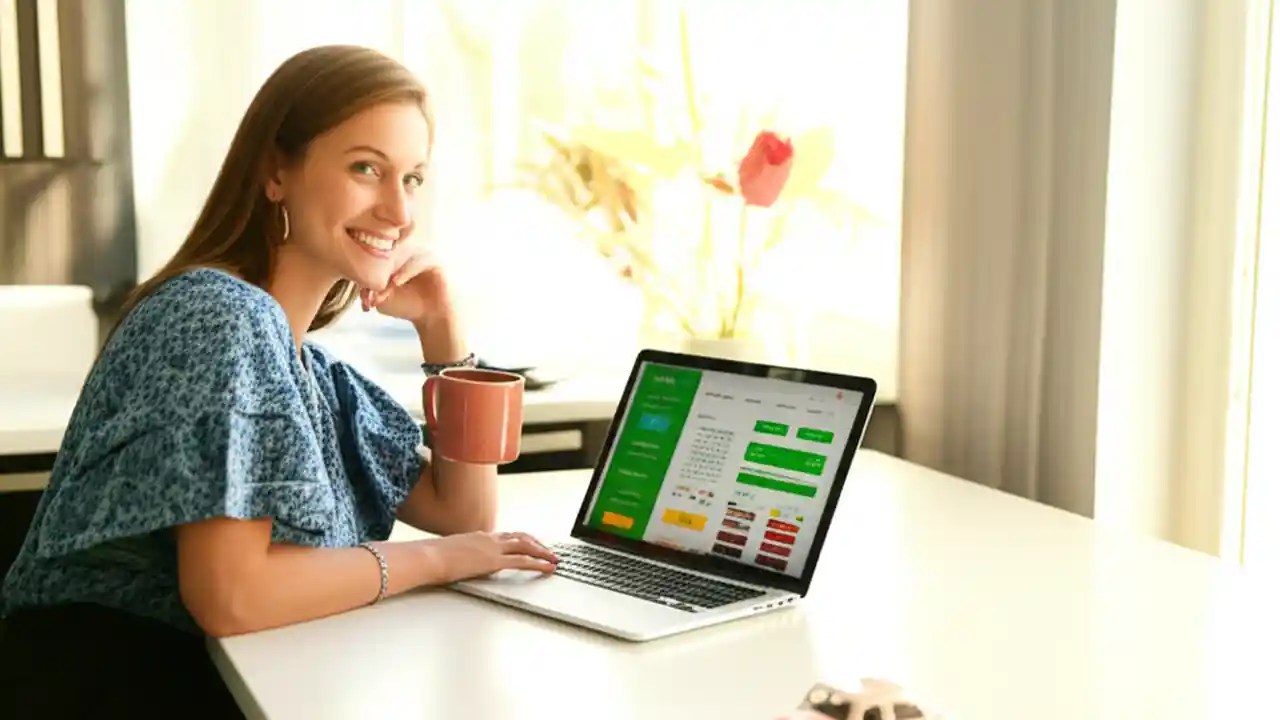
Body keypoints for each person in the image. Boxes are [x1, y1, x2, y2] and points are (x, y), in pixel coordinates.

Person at [0, 45, 558, 718]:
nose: (398, 211)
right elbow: (230, 597)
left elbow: (464, 513)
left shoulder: (308, 369)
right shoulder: (218, 316)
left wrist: (443, 326)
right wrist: (439, 562)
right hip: (101, 688)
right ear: (274, 173)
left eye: (412, 179)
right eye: (365, 168)